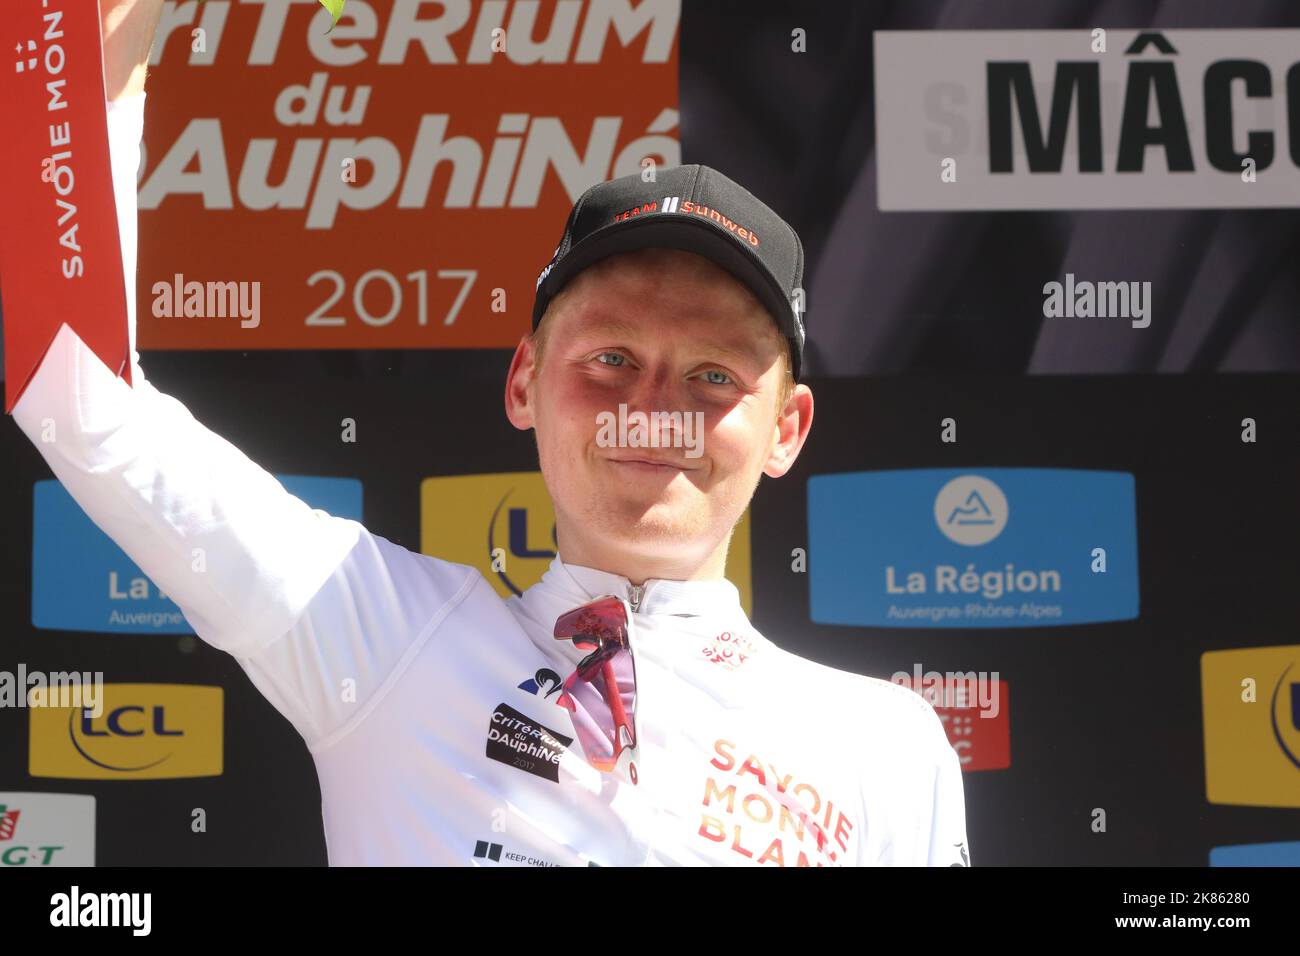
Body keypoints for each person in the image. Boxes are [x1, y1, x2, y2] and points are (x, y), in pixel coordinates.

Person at [9, 0, 970, 866]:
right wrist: (104, 44)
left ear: (786, 428)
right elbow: (77, 392)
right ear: (523, 381)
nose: (653, 409)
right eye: (610, 361)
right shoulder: (385, 635)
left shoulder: (886, 746)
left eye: (714, 376)